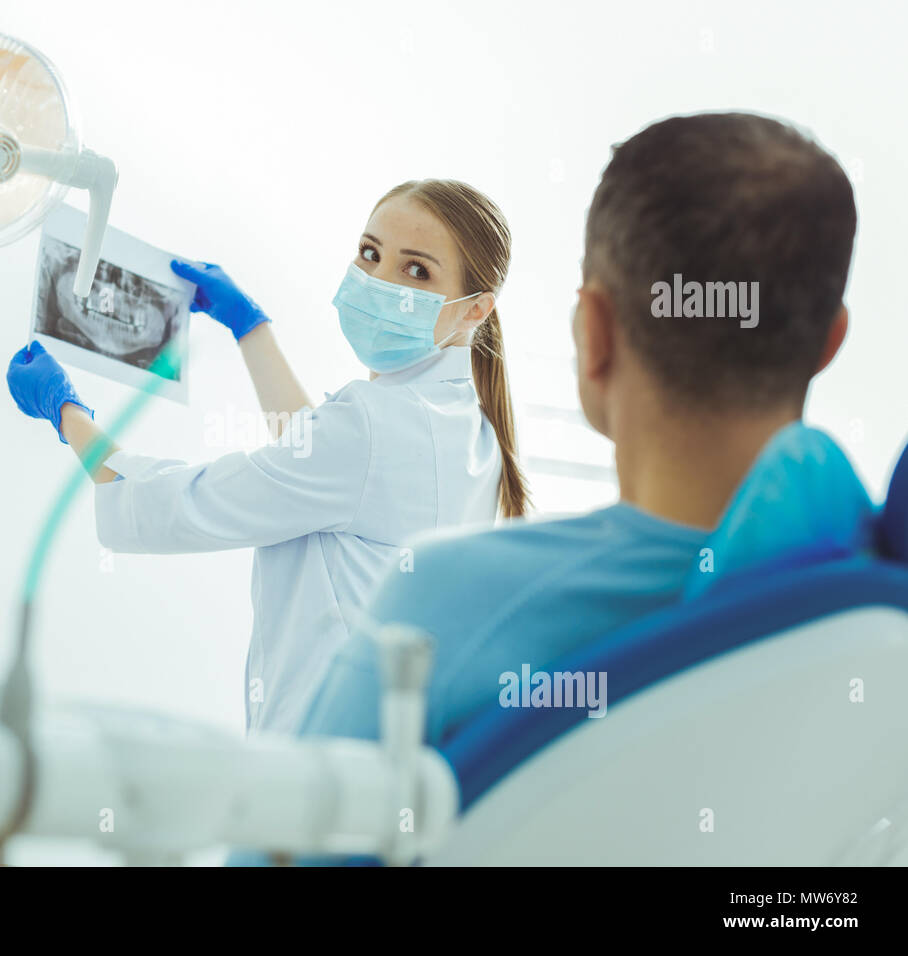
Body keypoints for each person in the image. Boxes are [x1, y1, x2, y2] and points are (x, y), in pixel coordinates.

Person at [296, 112, 859, 746]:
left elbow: (287, 842)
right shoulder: (869, 597)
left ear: (592, 332)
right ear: (829, 341)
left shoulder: (437, 611)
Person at [6, 179, 530, 732]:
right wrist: (250, 328)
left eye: (416, 270)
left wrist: (66, 412)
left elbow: (183, 506)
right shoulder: (471, 433)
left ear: (475, 310)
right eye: (370, 253)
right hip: (383, 759)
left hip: (324, 760)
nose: (378, 280)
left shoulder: (377, 425)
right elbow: (322, 466)